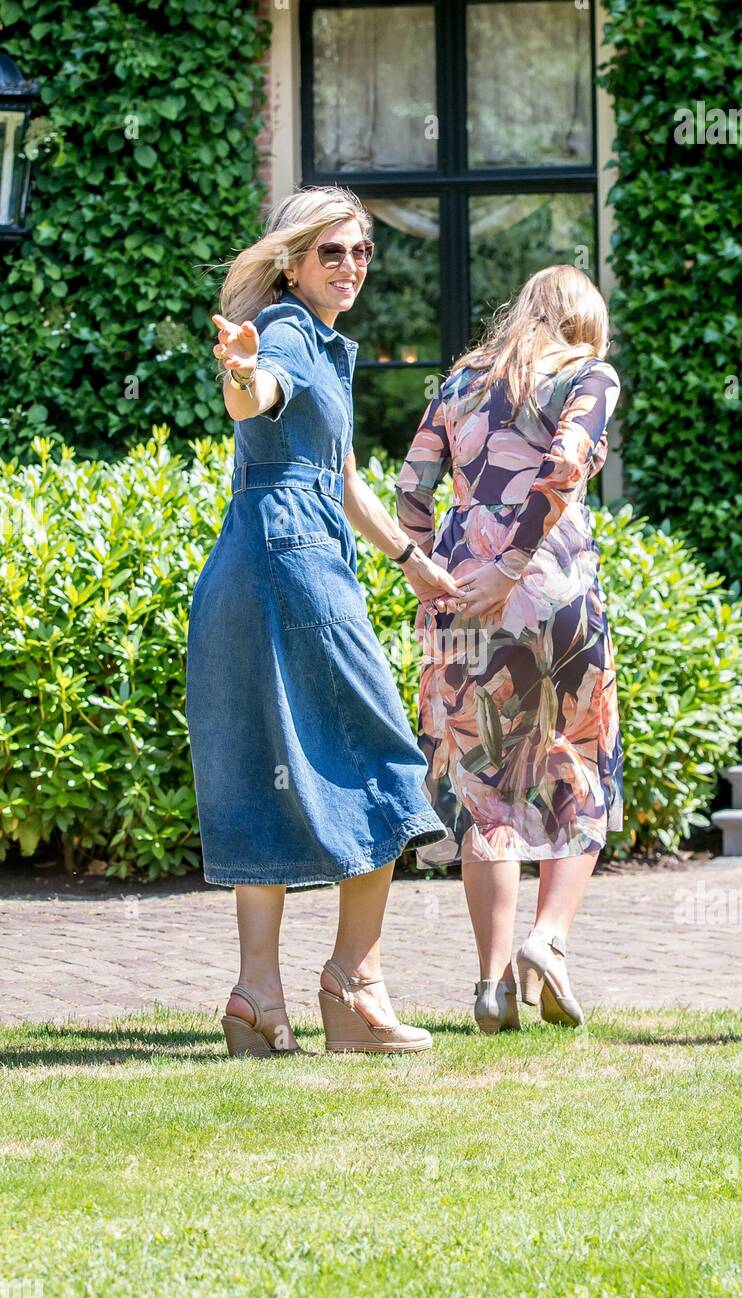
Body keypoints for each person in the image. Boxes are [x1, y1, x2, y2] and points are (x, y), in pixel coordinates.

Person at [186, 185, 460, 1056]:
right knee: (385, 757)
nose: (351, 267)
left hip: (249, 561)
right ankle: (356, 984)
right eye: (332, 253)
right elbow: (256, 394)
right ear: (292, 261)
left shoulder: (313, 340)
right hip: (295, 563)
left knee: (264, 765)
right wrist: (240, 371)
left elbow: (339, 475)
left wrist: (412, 563)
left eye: (362, 253)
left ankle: (255, 998)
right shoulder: (287, 335)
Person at [396, 266, 623, 1034]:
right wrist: (515, 562)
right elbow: (567, 465)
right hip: (550, 578)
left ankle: (491, 985)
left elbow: (409, 488)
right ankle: (548, 943)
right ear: (582, 322)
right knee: (577, 757)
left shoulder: (459, 381)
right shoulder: (588, 373)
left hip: (460, 585)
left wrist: (430, 570)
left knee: (482, 779)